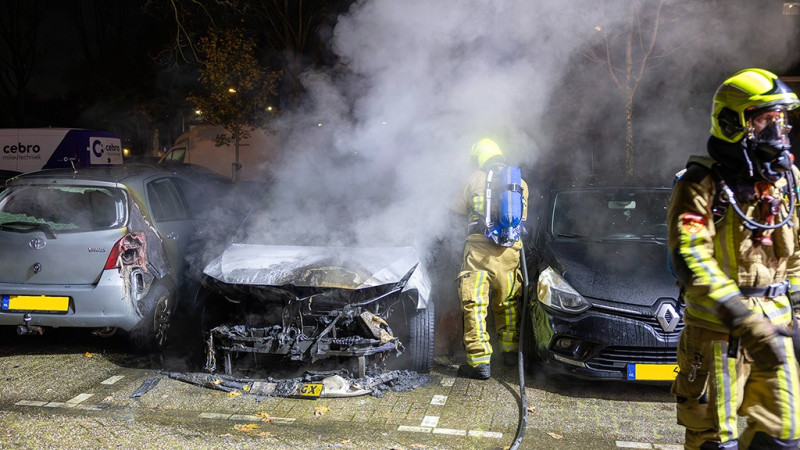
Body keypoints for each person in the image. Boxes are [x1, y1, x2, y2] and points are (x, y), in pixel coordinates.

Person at [667, 68, 800, 449]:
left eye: (780, 120)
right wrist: (744, 319)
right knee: (715, 441)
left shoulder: (787, 180)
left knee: (784, 434)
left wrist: (797, 312)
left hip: (775, 332)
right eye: (765, 120)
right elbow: (691, 260)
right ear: (733, 123)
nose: (777, 131)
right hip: (718, 335)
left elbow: (796, 252)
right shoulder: (700, 183)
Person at [453, 138, 528, 380]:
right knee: (508, 302)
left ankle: (479, 362)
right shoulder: (520, 183)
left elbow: (456, 209)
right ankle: (510, 352)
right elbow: (522, 217)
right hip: (510, 253)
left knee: (475, 304)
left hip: (479, 252)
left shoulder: (474, 179)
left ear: (479, 158)